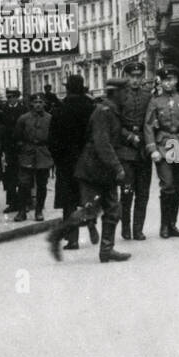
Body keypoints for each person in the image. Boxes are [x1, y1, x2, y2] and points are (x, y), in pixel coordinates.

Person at [47, 77, 132, 263]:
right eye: (125, 91)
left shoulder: (111, 110)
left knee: (113, 210)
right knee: (89, 212)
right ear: (115, 92)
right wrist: (117, 167)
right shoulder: (104, 111)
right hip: (93, 169)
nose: (127, 95)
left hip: (102, 169)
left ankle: (107, 250)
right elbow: (102, 142)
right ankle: (57, 234)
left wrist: (130, 137)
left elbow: (114, 135)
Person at [145, 65, 179, 239]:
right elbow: (149, 126)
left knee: (178, 187)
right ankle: (164, 226)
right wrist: (152, 149)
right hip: (164, 144)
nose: (168, 83)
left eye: (171, 79)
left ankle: (172, 224)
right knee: (167, 185)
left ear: (176, 80)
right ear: (161, 81)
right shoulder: (155, 101)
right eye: (165, 80)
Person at [48, 75, 97, 250]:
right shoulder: (91, 107)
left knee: (69, 201)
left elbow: (52, 138)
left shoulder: (60, 109)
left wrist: (58, 159)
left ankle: (73, 239)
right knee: (87, 197)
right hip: (88, 159)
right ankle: (91, 222)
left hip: (66, 162)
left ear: (68, 88)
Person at [117, 62, 154, 240]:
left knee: (143, 192)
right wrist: (129, 137)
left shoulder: (149, 96)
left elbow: (153, 121)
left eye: (139, 77)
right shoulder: (120, 96)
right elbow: (115, 125)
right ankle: (125, 227)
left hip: (144, 151)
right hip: (125, 151)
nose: (135, 80)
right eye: (132, 76)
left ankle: (138, 229)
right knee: (126, 191)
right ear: (126, 77)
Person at [13, 92, 53, 221]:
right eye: (35, 102)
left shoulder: (50, 118)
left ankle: (39, 211)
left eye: (40, 102)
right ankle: (21, 211)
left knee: (42, 184)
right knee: (24, 184)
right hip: (27, 154)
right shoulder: (23, 118)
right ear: (31, 104)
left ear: (44, 104)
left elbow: (54, 138)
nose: (38, 105)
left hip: (43, 154)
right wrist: (23, 149)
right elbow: (17, 137)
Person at [0, 87, 26, 213]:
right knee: (9, 177)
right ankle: (11, 203)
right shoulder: (3, 110)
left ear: (17, 97)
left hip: (21, 148)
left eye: (12, 96)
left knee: (23, 176)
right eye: (8, 97)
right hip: (9, 148)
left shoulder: (24, 110)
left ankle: (24, 202)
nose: (10, 99)